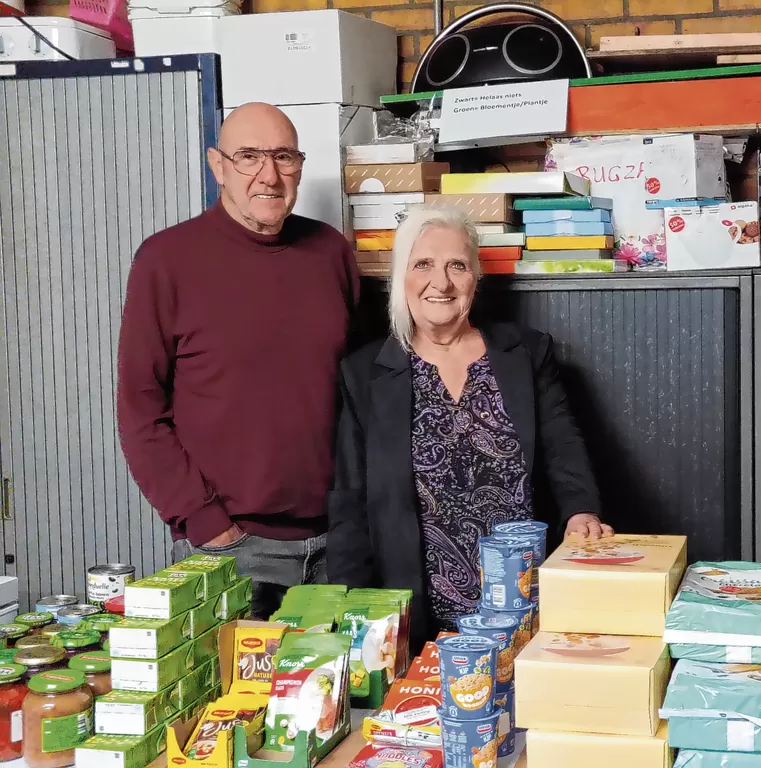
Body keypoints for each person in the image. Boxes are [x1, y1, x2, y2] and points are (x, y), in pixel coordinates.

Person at [326, 207, 613, 645]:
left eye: (456, 266)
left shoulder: (526, 353)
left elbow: (563, 447)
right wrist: (354, 624)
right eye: (423, 264)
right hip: (418, 624)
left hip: (527, 606)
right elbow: (350, 505)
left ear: (476, 277)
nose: (440, 283)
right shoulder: (364, 374)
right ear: (400, 277)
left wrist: (582, 513)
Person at [117, 102, 360, 618]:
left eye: (284, 157)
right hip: (233, 549)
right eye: (248, 156)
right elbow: (140, 411)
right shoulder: (166, 261)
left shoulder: (331, 253)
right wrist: (204, 521)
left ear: (300, 166)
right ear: (218, 165)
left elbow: (362, 390)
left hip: (338, 543)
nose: (269, 176)